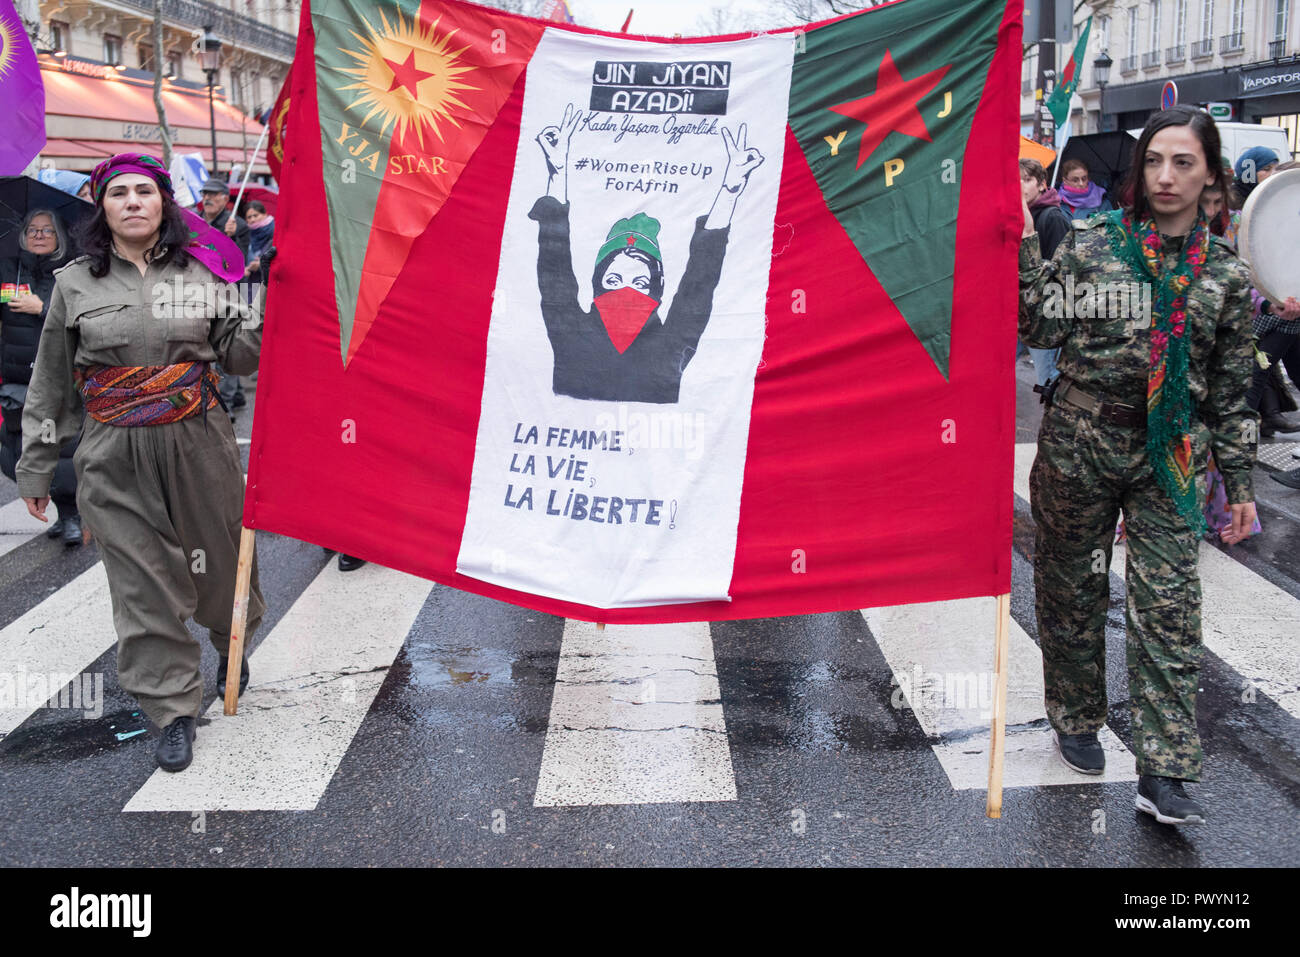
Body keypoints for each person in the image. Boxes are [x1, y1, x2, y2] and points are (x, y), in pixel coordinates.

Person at [1019, 106, 1258, 825]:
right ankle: (1076, 715)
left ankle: (1165, 767)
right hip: (1081, 443)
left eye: (1183, 162)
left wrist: (1240, 486)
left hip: (1172, 457)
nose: (1166, 175)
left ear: (1209, 174)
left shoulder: (1224, 275)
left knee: (1169, 610)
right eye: (1155, 160)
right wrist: (1026, 244)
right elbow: (1040, 326)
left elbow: (1232, 390)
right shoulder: (1097, 245)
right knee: (1071, 593)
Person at [17, 153, 266, 773]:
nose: (132, 201)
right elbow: (51, 379)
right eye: (118, 193)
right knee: (141, 583)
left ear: (164, 205)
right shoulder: (75, 282)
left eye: (145, 192)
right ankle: (172, 709)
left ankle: (230, 646)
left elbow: (238, 360)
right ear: (101, 208)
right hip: (113, 450)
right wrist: (37, 464)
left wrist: (257, 306)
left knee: (221, 562)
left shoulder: (204, 272)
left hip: (198, 441)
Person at [529, 104, 763, 404]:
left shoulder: (670, 346)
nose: (626, 292)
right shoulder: (571, 334)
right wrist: (557, 171)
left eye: (640, 283)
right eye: (613, 280)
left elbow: (700, 280)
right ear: (596, 281)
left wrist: (730, 190)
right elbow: (554, 261)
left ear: (658, 288)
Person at [0, 210, 83, 545]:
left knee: (62, 448)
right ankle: (48, 495)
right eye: (32, 230)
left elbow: (81, 319)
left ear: (59, 236)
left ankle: (70, 514)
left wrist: (42, 308)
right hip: (16, 377)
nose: (38, 235)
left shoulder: (73, 273)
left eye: (47, 230)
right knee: (19, 448)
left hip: (59, 375)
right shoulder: (8, 269)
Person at [1019, 158, 1072, 388]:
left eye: (1027, 179)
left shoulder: (1052, 217)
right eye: (1015, 180)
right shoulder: (1020, 213)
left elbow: (1061, 269)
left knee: (1047, 378)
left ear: (1042, 184)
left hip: (1044, 312)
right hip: (1020, 309)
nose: (1021, 185)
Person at [200, 178, 250, 416]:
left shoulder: (236, 224)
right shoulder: (198, 220)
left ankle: (226, 403)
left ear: (224, 198)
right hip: (202, 291)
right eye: (205, 193)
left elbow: (239, 262)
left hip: (229, 294)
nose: (207, 198)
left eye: (212, 194)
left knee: (223, 348)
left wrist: (232, 237)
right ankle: (237, 395)